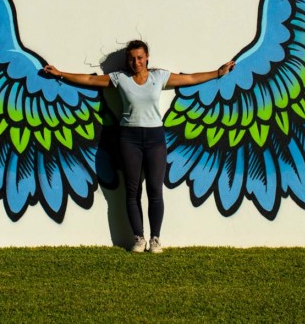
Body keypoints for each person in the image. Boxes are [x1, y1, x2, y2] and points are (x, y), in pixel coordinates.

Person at [44, 40, 235, 253]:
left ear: (147, 58)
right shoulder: (120, 79)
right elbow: (89, 79)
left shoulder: (159, 77)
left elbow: (189, 78)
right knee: (133, 190)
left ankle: (155, 239)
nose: (136, 62)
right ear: (128, 60)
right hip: (128, 138)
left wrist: (218, 73)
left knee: (155, 189)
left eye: (140, 58)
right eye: (132, 58)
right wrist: (60, 74)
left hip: (155, 139)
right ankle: (138, 238)